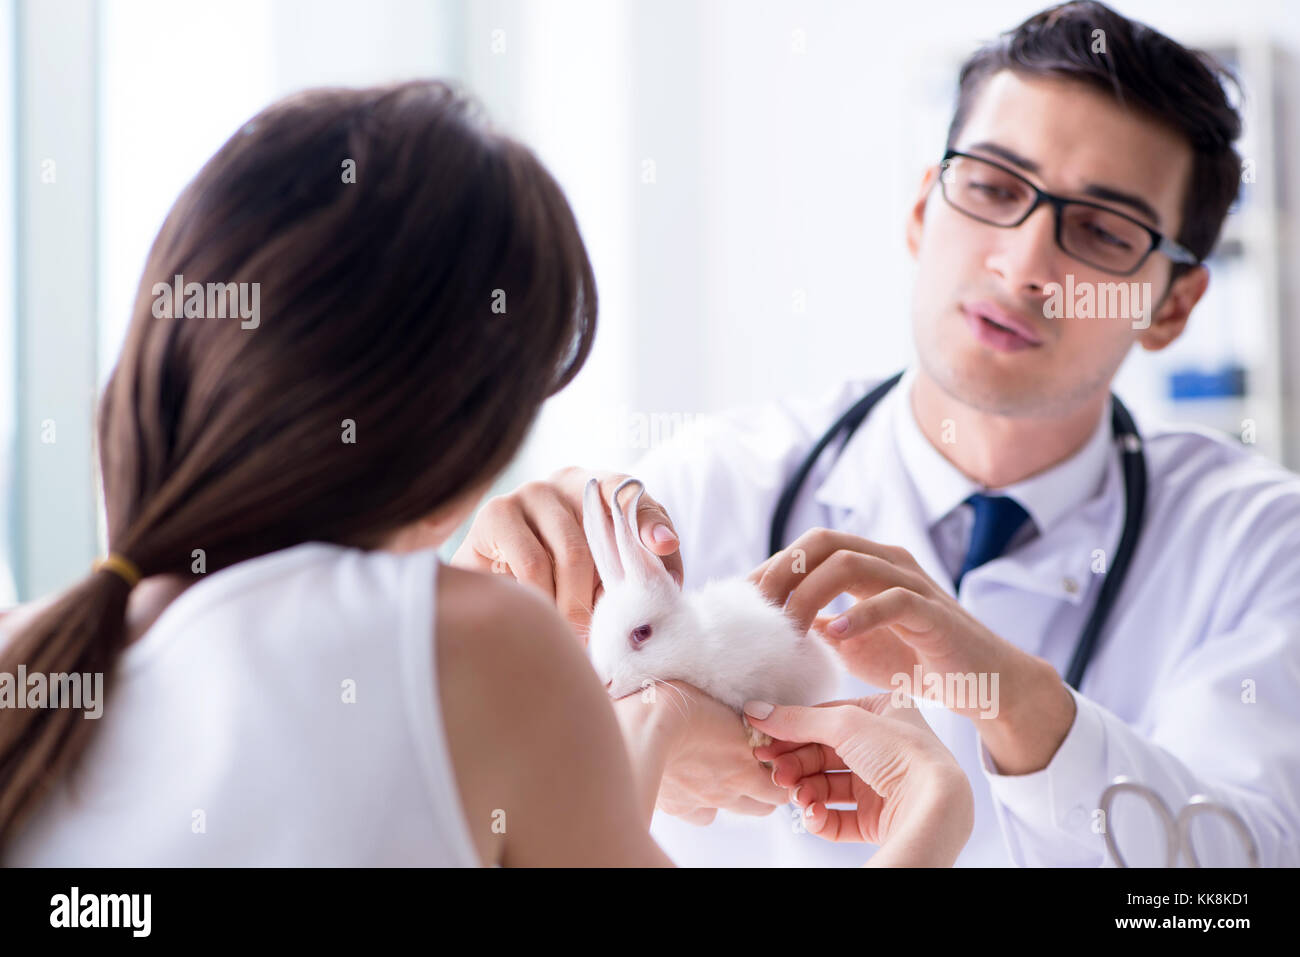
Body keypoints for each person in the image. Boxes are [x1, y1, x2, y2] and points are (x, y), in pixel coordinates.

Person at [0, 80, 973, 866]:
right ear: (464, 431)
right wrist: (932, 813)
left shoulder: (37, 656)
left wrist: (663, 719)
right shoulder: (479, 645)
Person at [454, 2, 1300, 866]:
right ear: (921, 212)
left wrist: (1025, 708)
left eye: (1103, 231)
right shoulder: (713, 488)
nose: (1024, 265)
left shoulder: (1262, 543)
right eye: (994, 188)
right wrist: (483, 626)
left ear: (1172, 305)